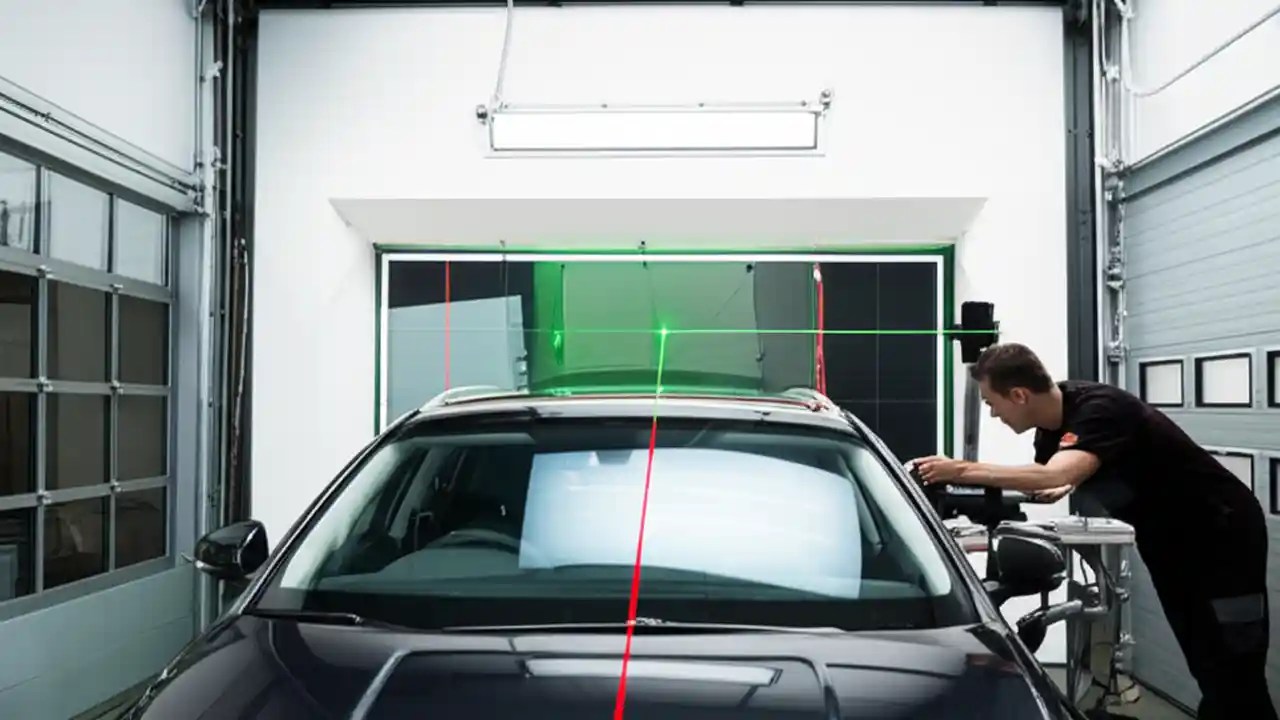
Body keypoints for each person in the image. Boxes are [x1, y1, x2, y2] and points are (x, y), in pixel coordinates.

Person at [910, 342, 1276, 720]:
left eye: (992, 403)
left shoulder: (1100, 409)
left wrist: (960, 470)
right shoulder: (1049, 433)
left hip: (1221, 535)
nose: (993, 413)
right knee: (1206, 658)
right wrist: (1058, 485)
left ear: (1019, 395)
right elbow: (1059, 476)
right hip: (1168, 541)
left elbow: (1054, 473)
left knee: (1236, 660)